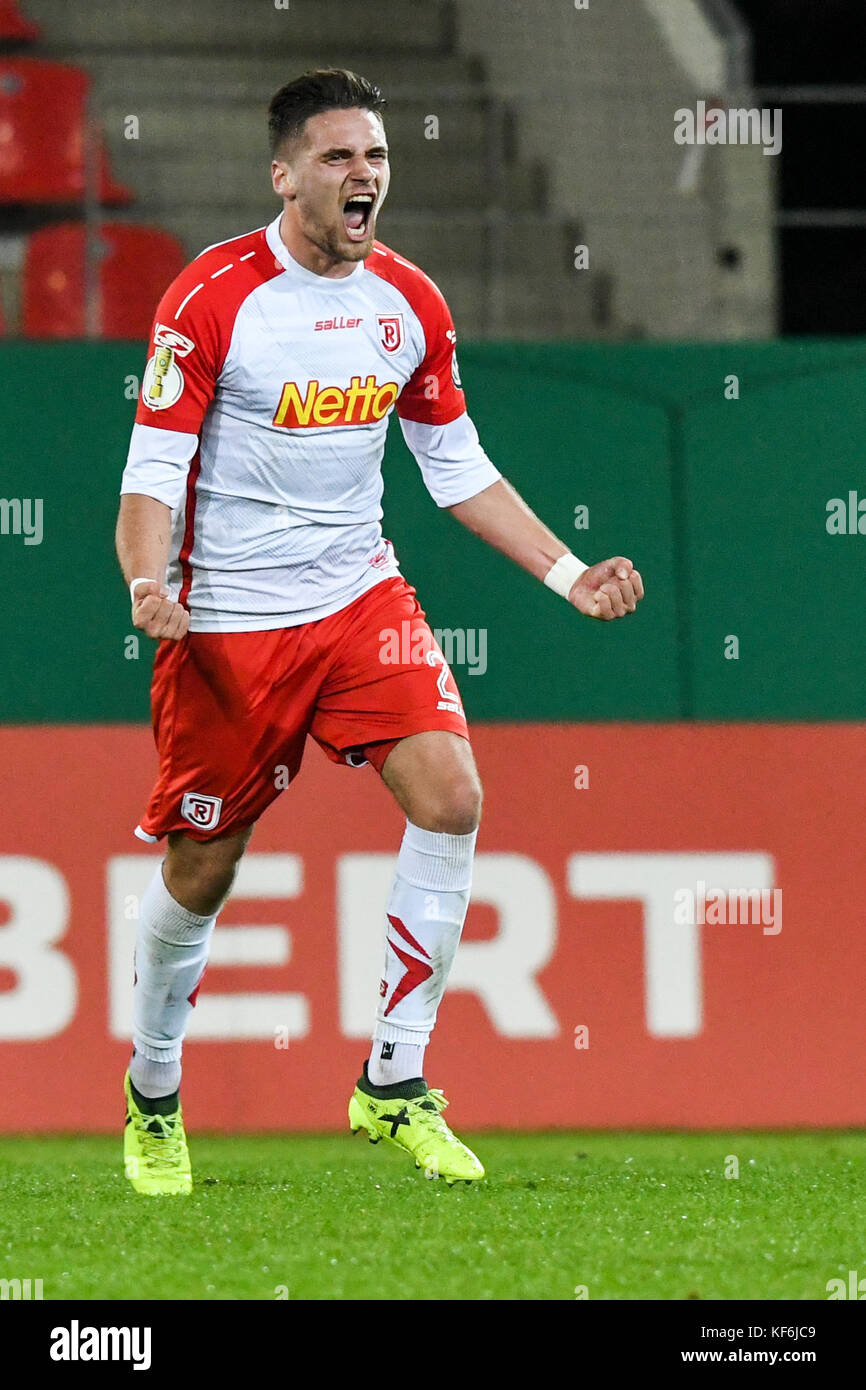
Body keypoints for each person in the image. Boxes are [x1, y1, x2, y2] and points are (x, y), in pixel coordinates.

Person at [115, 68, 643, 1195]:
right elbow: (150, 474)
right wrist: (144, 582)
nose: (365, 178)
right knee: (203, 864)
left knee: (451, 797)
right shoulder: (210, 299)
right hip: (227, 625)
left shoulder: (408, 302)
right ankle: (153, 1093)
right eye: (339, 159)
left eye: (377, 159)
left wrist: (565, 574)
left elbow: (456, 471)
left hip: (359, 601)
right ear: (285, 175)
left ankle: (392, 1083)